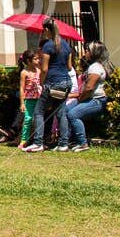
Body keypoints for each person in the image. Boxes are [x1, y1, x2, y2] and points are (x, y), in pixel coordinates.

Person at [36, 18, 76, 151]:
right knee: (60, 113)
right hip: (66, 82)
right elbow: (69, 67)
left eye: (43, 31)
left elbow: (44, 69)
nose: (43, 33)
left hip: (53, 82)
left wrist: (42, 82)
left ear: (47, 29)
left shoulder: (48, 45)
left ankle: (38, 143)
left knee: (39, 111)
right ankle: (63, 144)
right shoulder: (66, 45)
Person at [62, 42, 110, 153]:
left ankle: (82, 143)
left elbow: (89, 88)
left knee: (73, 114)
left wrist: (80, 99)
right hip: (89, 99)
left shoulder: (95, 68)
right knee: (66, 109)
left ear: (94, 53)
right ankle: (67, 140)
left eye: (88, 50)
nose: (85, 53)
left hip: (96, 101)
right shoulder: (93, 66)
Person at [17, 50, 43, 151]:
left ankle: (38, 139)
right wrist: (22, 103)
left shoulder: (39, 70)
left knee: (38, 119)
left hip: (39, 98)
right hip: (29, 99)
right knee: (28, 119)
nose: (38, 60)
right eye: (35, 59)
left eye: (38, 58)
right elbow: (22, 88)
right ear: (28, 61)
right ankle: (24, 139)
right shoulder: (24, 72)